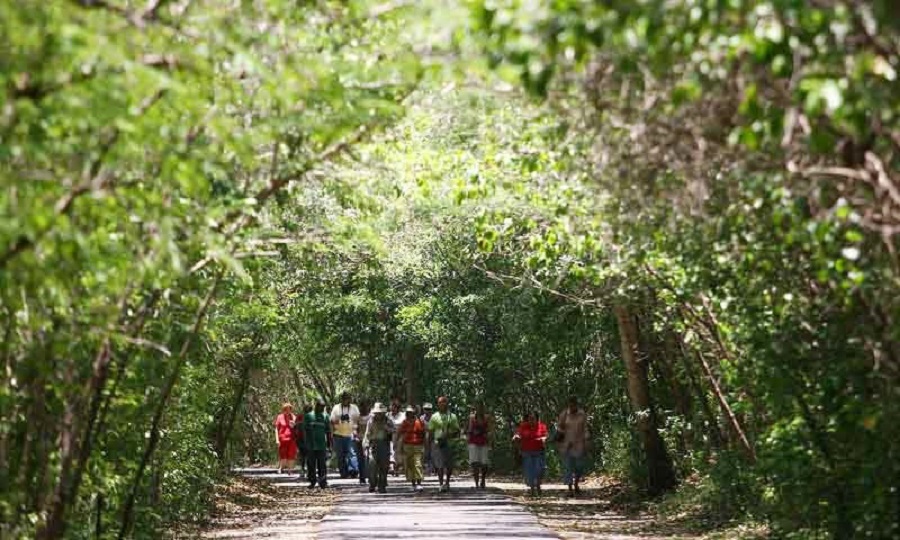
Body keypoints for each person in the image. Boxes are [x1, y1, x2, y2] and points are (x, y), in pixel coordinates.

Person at [557, 396, 589, 497]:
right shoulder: (564, 414)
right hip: (567, 445)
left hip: (579, 444)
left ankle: (576, 484)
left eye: (574, 404)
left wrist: (587, 440)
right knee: (568, 467)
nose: (572, 406)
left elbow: (585, 428)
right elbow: (559, 428)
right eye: (570, 404)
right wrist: (560, 436)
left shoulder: (582, 414)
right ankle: (570, 489)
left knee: (579, 466)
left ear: (576, 404)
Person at [427, 396, 460, 492]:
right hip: (438, 443)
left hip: (449, 443)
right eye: (440, 403)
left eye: (444, 402)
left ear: (447, 404)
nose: (442, 404)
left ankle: (447, 482)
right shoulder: (434, 416)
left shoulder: (452, 416)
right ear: (438, 405)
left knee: (449, 465)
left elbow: (457, 430)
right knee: (439, 465)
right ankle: (441, 484)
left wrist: (450, 434)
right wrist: (429, 444)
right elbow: (430, 431)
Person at [513, 411, 548, 497]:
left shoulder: (541, 426)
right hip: (526, 452)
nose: (531, 420)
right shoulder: (523, 426)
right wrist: (516, 437)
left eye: (533, 419)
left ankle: (538, 485)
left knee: (539, 470)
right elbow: (518, 434)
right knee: (529, 471)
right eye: (529, 419)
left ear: (537, 419)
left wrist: (543, 439)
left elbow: (545, 435)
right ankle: (532, 489)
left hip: (539, 451)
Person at [363, 402, 395, 493]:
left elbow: (394, 430)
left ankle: (382, 485)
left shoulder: (388, 420)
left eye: (380, 413)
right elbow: (367, 433)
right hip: (373, 444)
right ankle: (372, 483)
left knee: (384, 466)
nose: (379, 415)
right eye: (377, 413)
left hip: (384, 444)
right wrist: (365, 444)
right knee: (372, 464)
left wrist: (387, 429)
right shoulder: (371, 420)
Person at [330, 392, 360, 479]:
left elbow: (358, 420)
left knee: (351, 453)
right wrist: (340, 420)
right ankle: (343, 472)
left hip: (350, 434)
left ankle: (354, 471)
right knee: (340, 455)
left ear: (350, 399)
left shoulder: (354, 408)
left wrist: (357, 433)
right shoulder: (336, 407)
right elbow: (331, 421)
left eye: (347, 398)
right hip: (338, 434)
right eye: (344, 398)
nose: (346, 400)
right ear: (341, 399)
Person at [304, 399, 332, 489]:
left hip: (321, 445)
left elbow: (328, 431)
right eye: (320, 406)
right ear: (316, 405)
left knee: (322, 464)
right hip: (311, 445)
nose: (322, 408)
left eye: (323, 407)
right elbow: (305, 431)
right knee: (311, 464)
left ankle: (323, 482)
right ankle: (312, 481)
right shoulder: (308, 416)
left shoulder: (325, 416)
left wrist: (329, 445)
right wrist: (305, 444)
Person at [398, 405, 426, 492]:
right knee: (409, 464)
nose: (410, 414)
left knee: (418, 463)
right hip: (407, 445)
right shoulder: (404, 422)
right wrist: (398, 445)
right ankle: (413, 484)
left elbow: (423, 433)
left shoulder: (419, 422)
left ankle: (419, 484)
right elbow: (400, 433)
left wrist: (424, 443)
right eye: (408, 412)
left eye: (411, 412)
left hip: (418, 445)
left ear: (414, 413)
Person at [466, 401, 493, 489]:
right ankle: (477, 483)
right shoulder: (472, 417)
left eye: (481, 407)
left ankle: (483, 480)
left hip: (484, 441)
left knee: (484, 463)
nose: (479, 409)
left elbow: (490, 430)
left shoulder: (487, 417)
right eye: (478, 407)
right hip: (473, 441)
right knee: (475, 463)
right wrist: (468, 438)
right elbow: (469, 429)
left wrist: (488, 436)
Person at [273, 403, 297, 474]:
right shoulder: (279, 417)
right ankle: (281, 468)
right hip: (282, 439)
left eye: (289, 409)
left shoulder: (293, 417)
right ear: (283, 410)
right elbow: (276, 429)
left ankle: (290, 470)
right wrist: (277, 439)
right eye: (285, 409)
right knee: (283, 455)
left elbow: (298, 428)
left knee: (291, 455)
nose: (287, 411)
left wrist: (294, 425)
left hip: (292, 440)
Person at [292, 404, 312, 473]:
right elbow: (295, 427)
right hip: (301, 439)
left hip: (309, 439)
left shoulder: (312, 417)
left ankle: (307, 469)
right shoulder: (300, 416)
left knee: (307, 455)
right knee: (303, 454)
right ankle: (303, 469)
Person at [388, 397, 405, 476]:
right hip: (391, 436)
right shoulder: (388, 415)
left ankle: (398, 468)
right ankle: (392, 467)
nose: (393, 409)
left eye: (395, 407)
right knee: (391, 451)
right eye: (392, 407)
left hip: (401, 436)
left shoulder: (402, 415)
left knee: (398, 452)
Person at [355, 399, 371, 485]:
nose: (363, 408)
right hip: (359, 440)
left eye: (365, 406)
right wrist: (356, 436)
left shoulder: (371, 417)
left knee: (368, 459)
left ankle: (369, 476)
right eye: (362, 406)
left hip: (368, 440)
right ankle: (362, 478)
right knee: (360, 459)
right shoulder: (357, 418)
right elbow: (354, 429)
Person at [420, 402, 434, 475]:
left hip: (433, 438)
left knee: (432, 454)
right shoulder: (421, 418)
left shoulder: (434, 417)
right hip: (424, 438)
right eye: (425, 409)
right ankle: (425, 468)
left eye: (428, 409)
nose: (427, 410)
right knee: (425, 454)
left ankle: (432, 468)